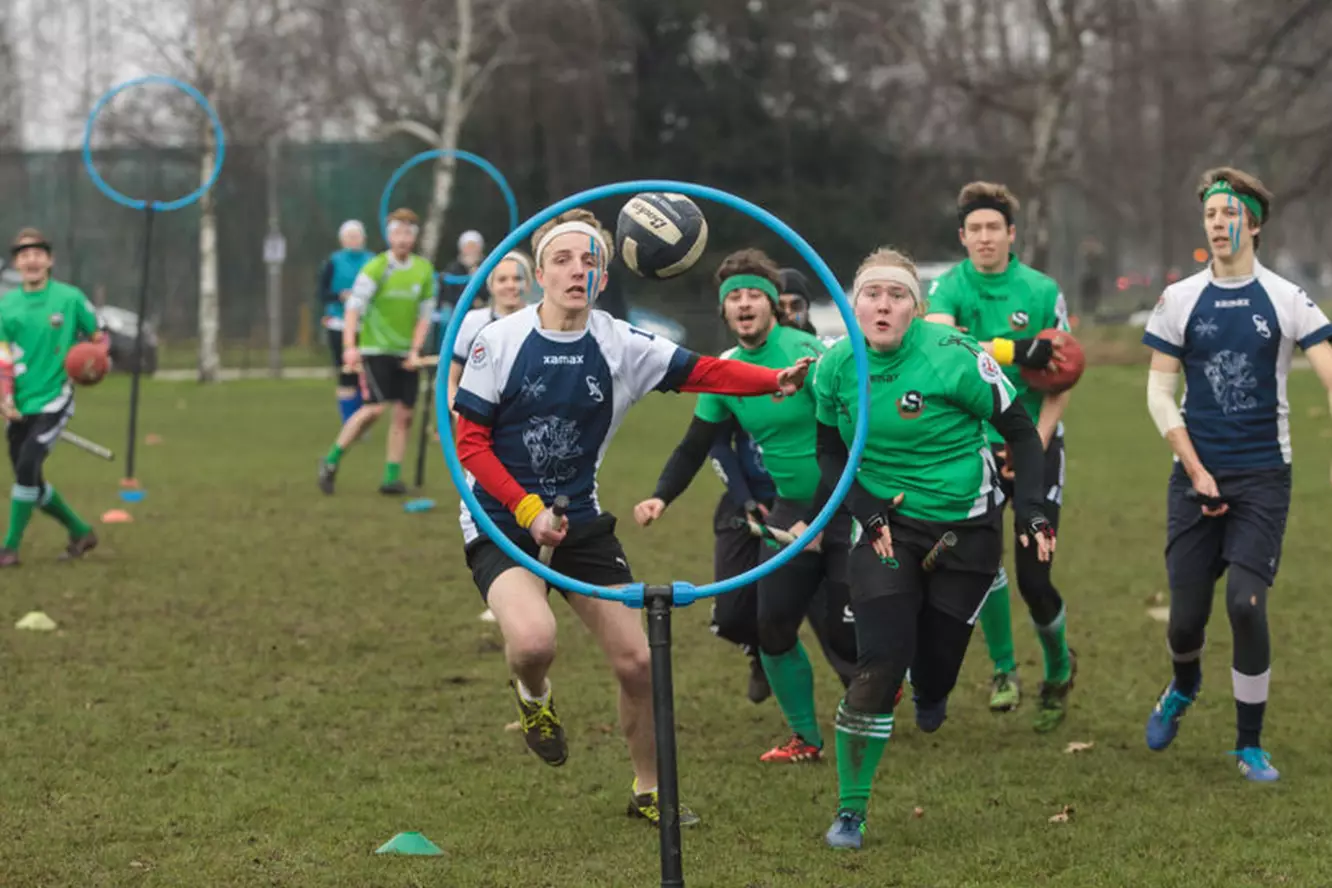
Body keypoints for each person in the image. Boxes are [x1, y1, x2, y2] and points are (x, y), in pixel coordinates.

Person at [452, 209, 814, 826]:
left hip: (581, 521)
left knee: (639, 662)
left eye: (590, 260)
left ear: (603, 276)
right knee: (535, 642)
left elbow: (705, 370)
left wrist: (773, 378)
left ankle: (649, 790)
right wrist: (527, 508)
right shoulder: (498, 340)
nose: (577, 270)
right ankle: (534, 696)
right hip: (499, 517)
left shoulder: (621, 343)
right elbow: (470, 444)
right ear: (539, 273)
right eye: (563, 260)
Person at [812, 247, 1055, 849]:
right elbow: (829, 454)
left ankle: (934, 688)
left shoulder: (959, 359)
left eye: (896, 295)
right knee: (879, 664)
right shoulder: (835, 365)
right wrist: (863, 509)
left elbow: (1021, 432)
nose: (883, 305)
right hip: (885, 525)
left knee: (937, 672)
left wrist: (1031, 510)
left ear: (916, 308)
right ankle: (851, 810)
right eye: (871, 294)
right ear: (853, 302)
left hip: (965, 529)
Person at [1140, 166, 1332, 782]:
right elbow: (1159, 395)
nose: (1218, 225)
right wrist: (1194, 467)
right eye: (1210, 215)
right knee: (1185, 621)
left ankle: (1249, 744)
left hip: (1262, 478)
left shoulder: (1286, 298)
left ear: (1253, 222)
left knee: (1246, 606)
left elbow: (1327, 366)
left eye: (1229, 214)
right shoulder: (1179, 300)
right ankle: (1184, 685)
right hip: (1192, 477)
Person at [634, 248, 857, 766]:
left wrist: (823, 515)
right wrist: (660, 496)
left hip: (844, 500)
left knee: (852, 631)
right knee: (771, 625)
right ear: (724, 311)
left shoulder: (810, 354)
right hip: (787, 507)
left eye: (754, 294)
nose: (744, 303)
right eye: (734, 297)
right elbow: (695, 444)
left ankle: (893, 679)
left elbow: (848, 439)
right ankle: (806, 739)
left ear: (774, 304)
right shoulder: (726, 371)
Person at [924, 181, 1076, 730]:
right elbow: (941, 345)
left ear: (1012, 235)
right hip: (974, 446)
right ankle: (1005, 670)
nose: (985, 237)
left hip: (1036, 440)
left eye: (995, 228)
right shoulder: (946, 287)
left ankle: (1059, 669)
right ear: (962, 237)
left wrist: (1032, 439)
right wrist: (1014, 349)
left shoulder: (1040, 290)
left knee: (1035, 578)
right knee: (980, 564)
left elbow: (1063, 374)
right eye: (975, 230)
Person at [0, 229, 107, 567]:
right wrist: (5, 398)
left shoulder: (70, 298)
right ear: (16, 263)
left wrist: (94, 361)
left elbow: (99, 336)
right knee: (29, 478)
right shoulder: (5, 306)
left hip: (54, 399)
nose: (31, 259)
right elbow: (2, 357)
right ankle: (80, 531)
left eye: (37, 253)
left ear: (50, 260)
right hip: (19, 402)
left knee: (28, 465)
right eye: (24, 254)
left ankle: (9, 548)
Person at [318, 209, 435, 496]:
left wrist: (416, 349)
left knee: (405, 415)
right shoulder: (376, 267)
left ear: (414, 237)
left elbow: (424, 315)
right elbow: (353, 308)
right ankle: (331, 460)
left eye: (408, 233)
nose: (403, 239)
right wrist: (349, 347)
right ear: (389, 234)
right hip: (375, 349)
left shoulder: (424, 270)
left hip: (406, 352)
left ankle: (391, 477)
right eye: (398, 232)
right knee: (373, 409)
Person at [445, 249, 535, 624]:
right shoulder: (472, 323)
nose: (510, 286)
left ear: (528, 284)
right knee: (494, 510)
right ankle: (503, 594)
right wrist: (460, 415)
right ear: (490, 285)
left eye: (517, 279)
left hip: (530, 434)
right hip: (483, 433)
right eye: (503, 279)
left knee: (535, 509)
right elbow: (452, 378)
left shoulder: (540, 320)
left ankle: (531, 592)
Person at [316, 220, 374, 424]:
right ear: (342, 240)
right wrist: (339, 296)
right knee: (346, 373)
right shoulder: (333, 262)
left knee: (366, 375)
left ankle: (361, 420)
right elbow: (322, 293)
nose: (353, 240)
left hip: (367, 325)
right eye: (349, 237)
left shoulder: (373, 261)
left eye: (356, 236)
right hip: (339, 324)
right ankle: (349, 421)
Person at [441, 229, 486, 307]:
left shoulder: (486, 266)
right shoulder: (452, 268)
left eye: (474, 246)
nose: (471, 250)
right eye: (468, 246)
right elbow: (448, 294)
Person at [778, 267, 817, 334]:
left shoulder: (820, 344)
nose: (787, 312)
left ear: (806, 310)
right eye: (780, 307)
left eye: (795, 306)